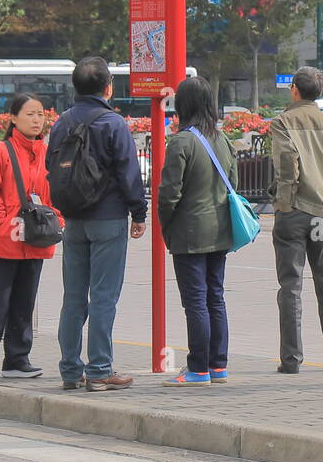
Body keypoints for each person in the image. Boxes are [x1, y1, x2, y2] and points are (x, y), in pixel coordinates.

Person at [47, 57, 147, 392]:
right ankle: (100, 370)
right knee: (104, 296)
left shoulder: (61, 123)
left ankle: (70, 371)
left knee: (73, 297)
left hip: (73, 220)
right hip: (108, 219)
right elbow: (129, 173)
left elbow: (52, 167)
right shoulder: (112, 123)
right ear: (108, 87)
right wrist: (139, 213)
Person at [0, 94, 59, 381]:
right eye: (30, 114)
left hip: (35, 241)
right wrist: (2, 224)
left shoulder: (47, 152)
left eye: (40, 114)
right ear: (13, 118)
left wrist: (57, 219)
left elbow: (54, 194)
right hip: (2, 243)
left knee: (24, 304)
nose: (36, 120)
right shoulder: (0, 151)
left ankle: (17, 360)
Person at [270, 66, 323, 373]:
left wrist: (284, 204)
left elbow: (286, 166)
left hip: (295, 212)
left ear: (294, 90)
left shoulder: (283, 122)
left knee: (291, 287)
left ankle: (291, 360)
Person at [157, 77, 236, 386]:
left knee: (195, 302)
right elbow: (234, 183)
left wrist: (166, 226)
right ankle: (218, 366)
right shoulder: (223, 139)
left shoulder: (180, 142)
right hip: (220, 232)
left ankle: (197, 369)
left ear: (182, 105)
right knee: (216, 298)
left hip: (189, 235)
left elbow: (168, 194)